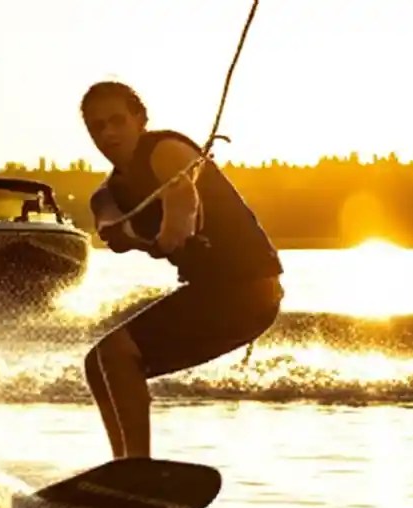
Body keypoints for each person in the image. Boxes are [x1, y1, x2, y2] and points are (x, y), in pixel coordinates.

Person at [79, 80, 284, 459]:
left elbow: (181, 191)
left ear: (140, 120)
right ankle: (124, 467)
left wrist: (176, 224)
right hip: (212, 292)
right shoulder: (107, 193)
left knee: (117, 354)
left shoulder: (165, 149)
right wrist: (120, 231)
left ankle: (138, 467)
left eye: (117, 121)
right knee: (98, 365)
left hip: (248, 287)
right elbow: (108, 220)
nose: (107, 133)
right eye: (96, 127)